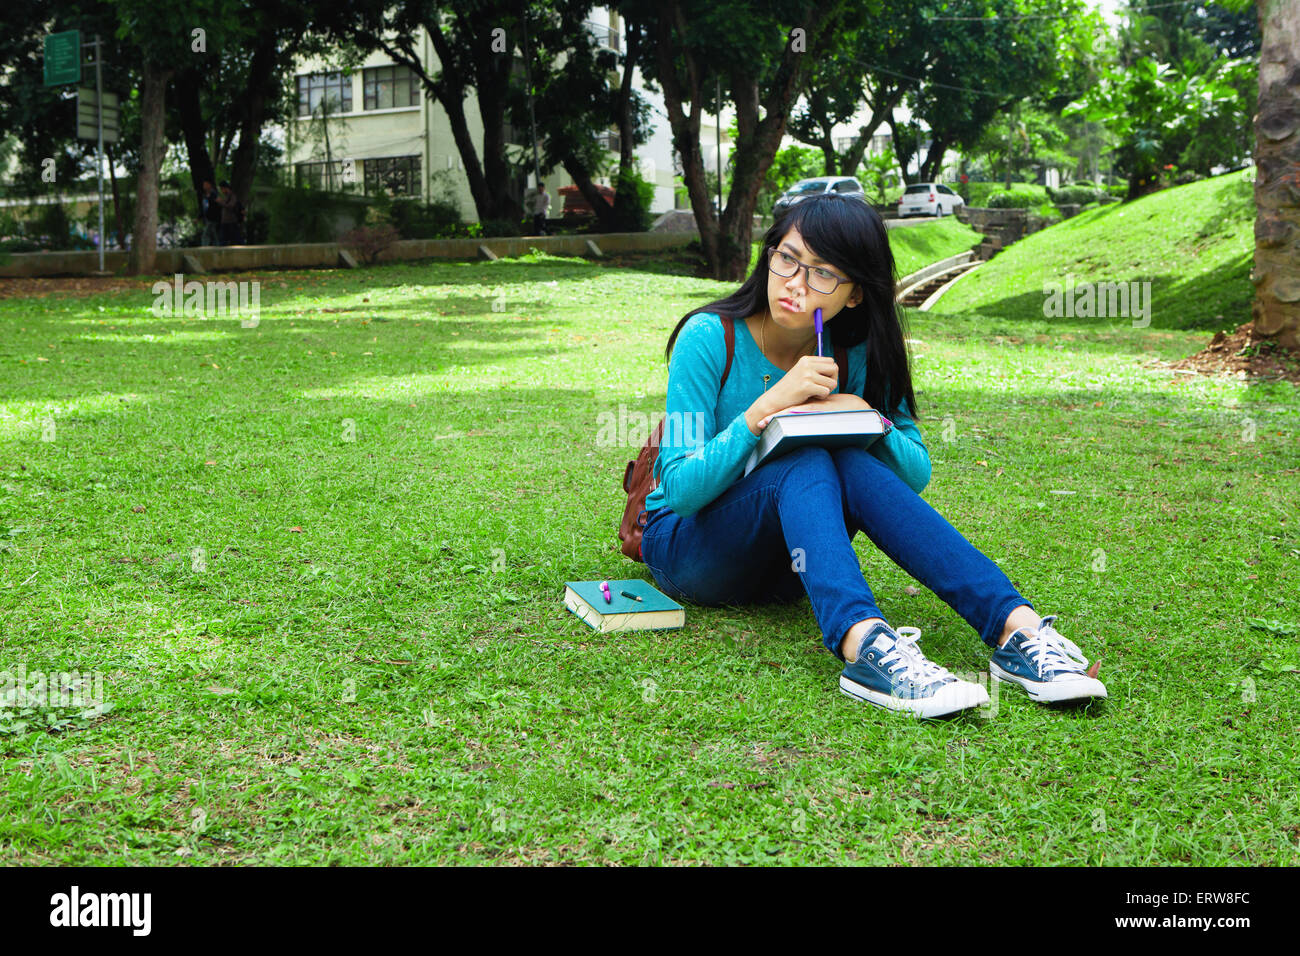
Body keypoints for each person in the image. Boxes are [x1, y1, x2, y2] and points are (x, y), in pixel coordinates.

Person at [639, 194, 1108, 719]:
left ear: (856, 294)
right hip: (688, 548)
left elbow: (915, 473)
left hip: (786, 566)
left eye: (822, 274)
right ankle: (867, 649)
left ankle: (1016, 630)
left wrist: (867, 415)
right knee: (808, 460)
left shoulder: (854, 352)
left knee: (850, 461)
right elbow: (679, 490)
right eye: (787, 258)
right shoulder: (708, 337)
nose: (795, 282)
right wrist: (770, 405)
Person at [217, 181, 244, 246]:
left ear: (226, 188)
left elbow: (231, 206)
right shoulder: (225, 197)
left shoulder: (232, 196)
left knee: (236, 238)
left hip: (231, 220)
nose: (222, 191)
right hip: (225, 221)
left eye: (222, 189)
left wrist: (221, 202)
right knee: (223, 239)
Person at [199, 180, 221, 246]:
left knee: (207, 234)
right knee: (214, 235)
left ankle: (205, 247)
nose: (204, 186)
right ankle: (216, 247)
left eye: (206, 184)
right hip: (208, 218)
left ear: (209, 185)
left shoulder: (214, 194)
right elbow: (204, 208)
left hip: (214, 218)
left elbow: (217, 205)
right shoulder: (205, 196)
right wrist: (199, 217)